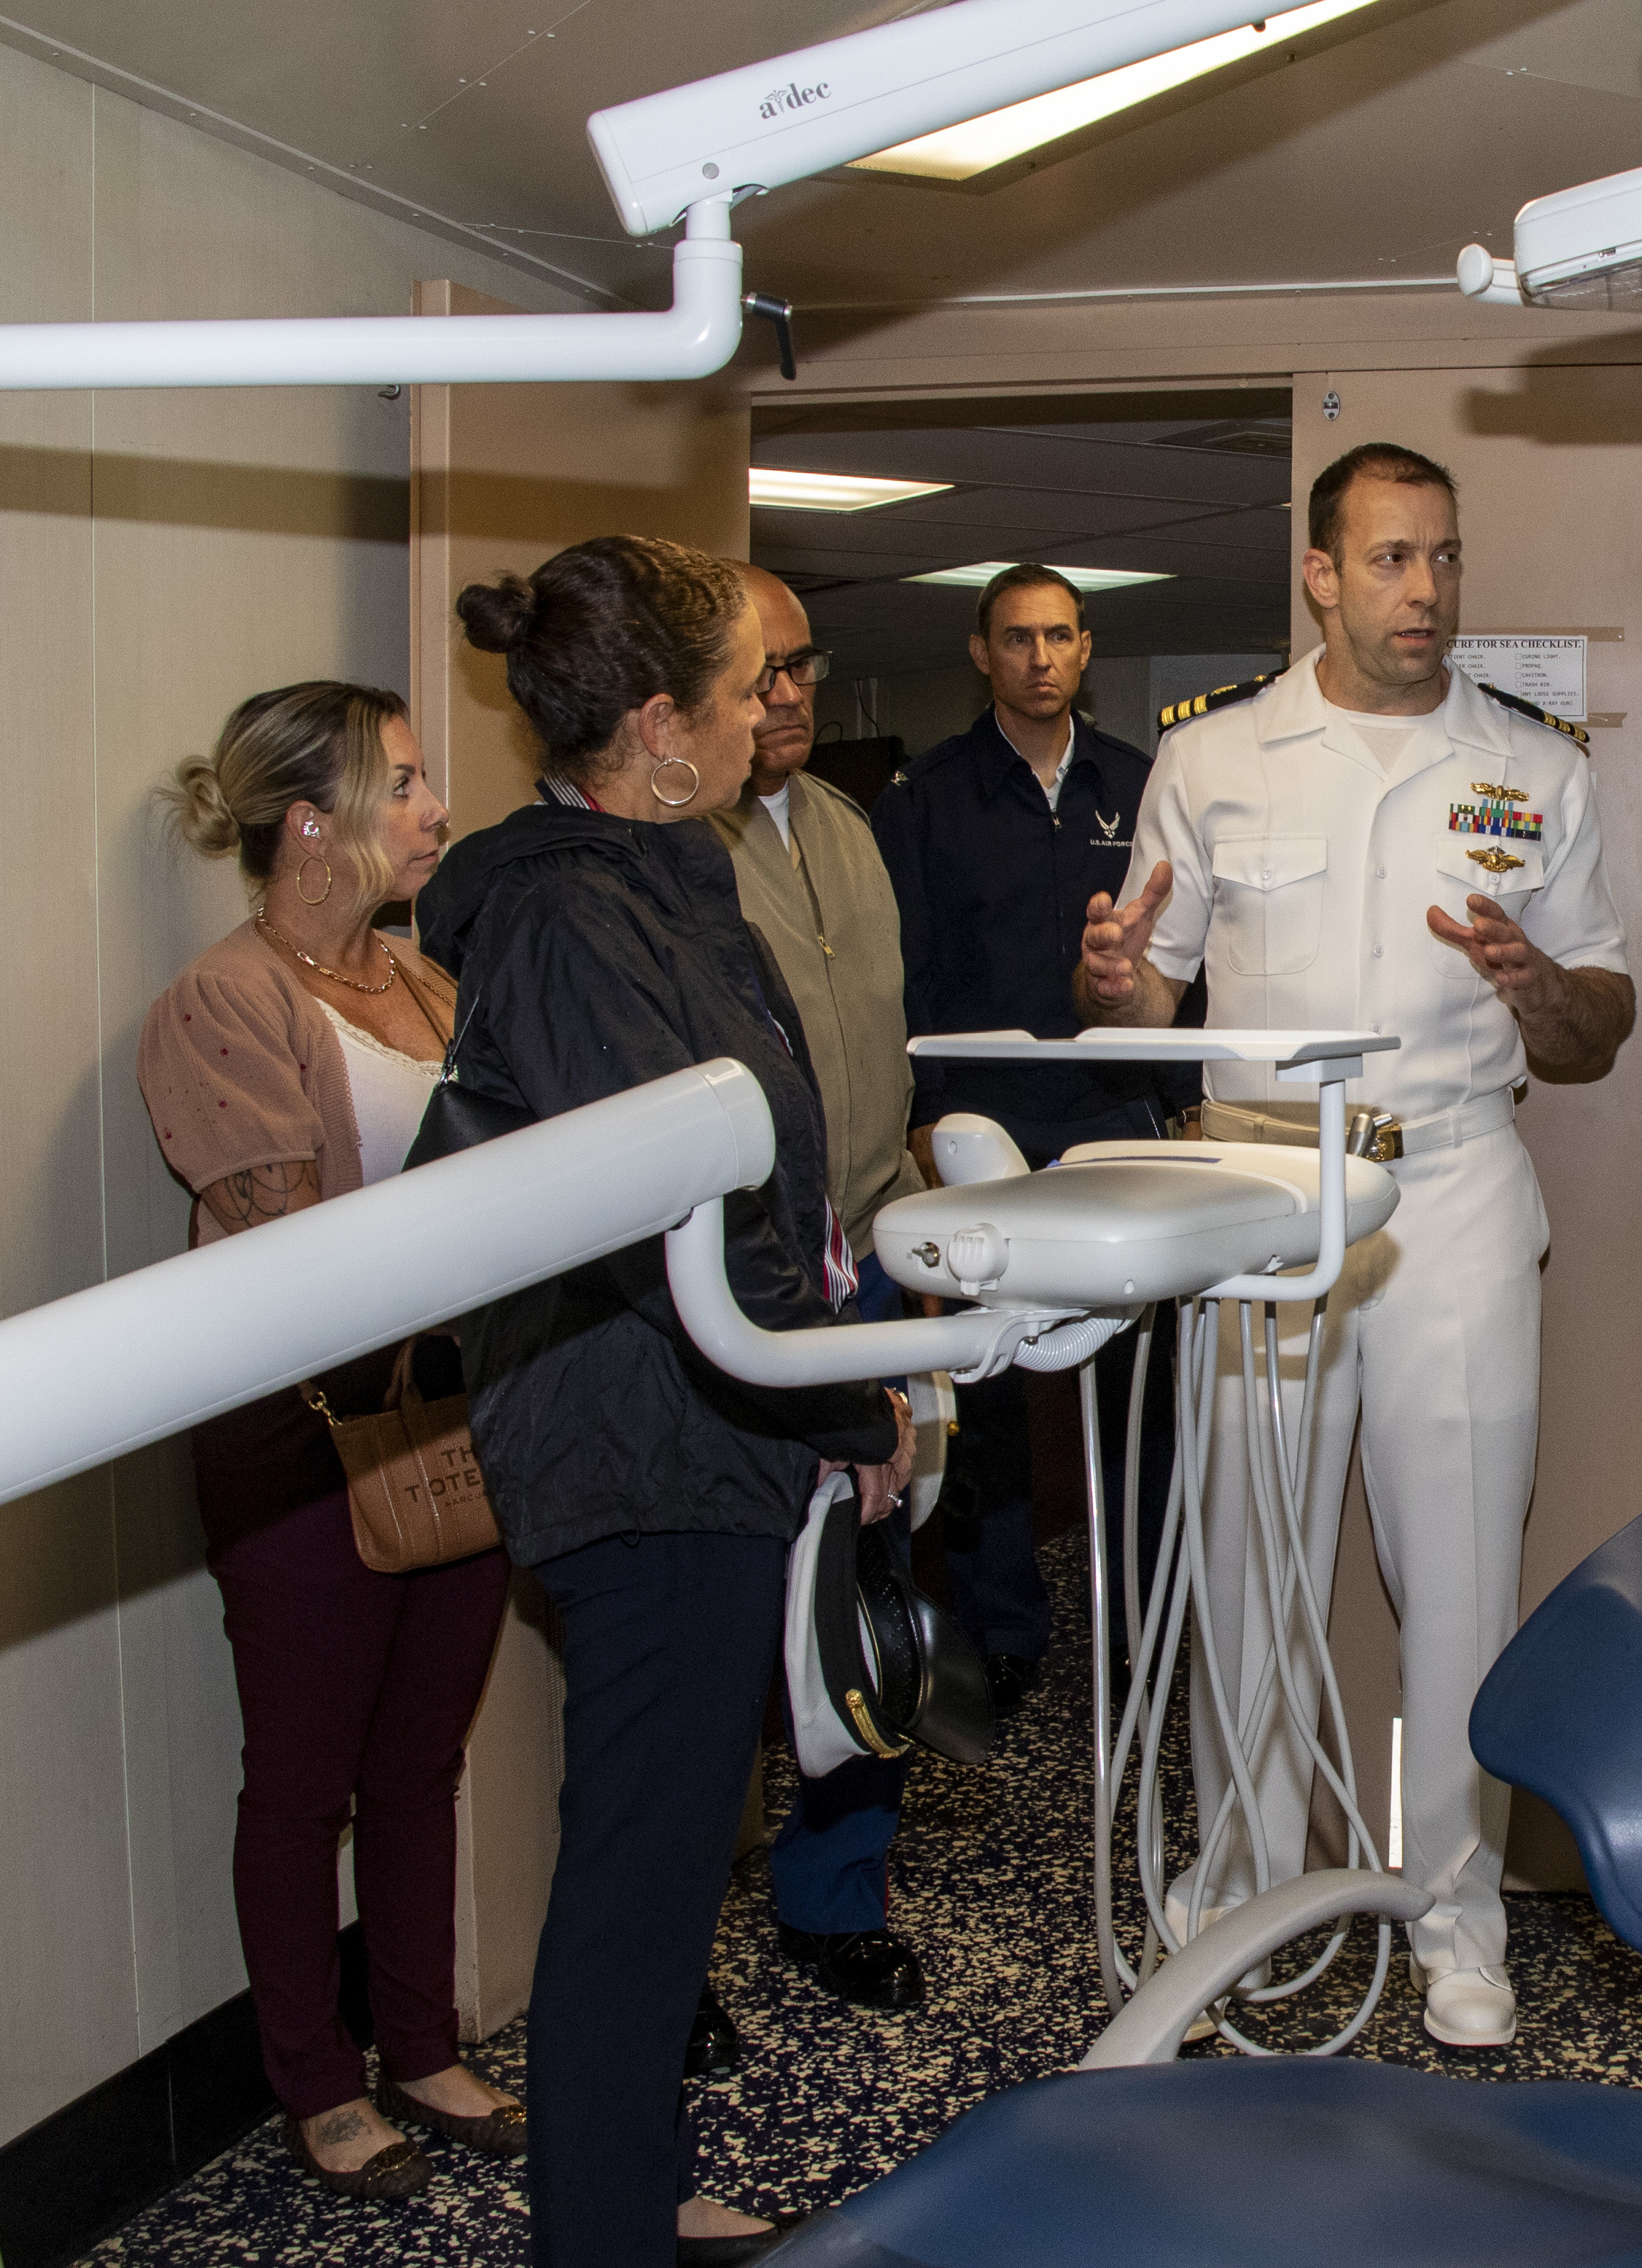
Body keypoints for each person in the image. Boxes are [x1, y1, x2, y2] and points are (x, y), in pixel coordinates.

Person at [1076, 443, 1635, 2050]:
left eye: (1446, 560)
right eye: (1391, 560)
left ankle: (1457, 1910)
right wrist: (1114, 975)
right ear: (1318, 572)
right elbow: (1148, 996)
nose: (1427, 593)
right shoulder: (1218, 759)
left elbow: (1601, 1014)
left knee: (1459, 1570)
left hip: (1452, 1190)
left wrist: (1541, 986)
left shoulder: (1533, 768)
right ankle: (1245, 1877)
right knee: (1247, 1557)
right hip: (1264, 1195)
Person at [419, 535, 913, 2268]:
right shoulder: (567, 912)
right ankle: (600, 2235)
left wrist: (841, 1371)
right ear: (656, 724)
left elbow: (767, 1176)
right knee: (640, 1854)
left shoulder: (660, 883)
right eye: (742, 686)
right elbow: (679, 1210)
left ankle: (627, 2184)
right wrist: (849, 1406)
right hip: (639, 1439)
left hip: (709, 1420)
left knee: (674, 1834)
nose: (772, 706)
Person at [137, 683, 524, 2199]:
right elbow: (288, 1249)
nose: (437, 813)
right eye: (408, 786)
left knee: (422, 1762)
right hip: (304, 1436)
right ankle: (315, 2079)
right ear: (313, 822)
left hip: (446, 1412)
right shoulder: (222, 1003)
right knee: (304, 1783)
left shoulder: (432, 984)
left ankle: (421, 2045)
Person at [870, 563, 1198, 1700]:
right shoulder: (927, 798)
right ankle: (1005, 1627)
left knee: (1138, 1395)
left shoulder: (1141, 784)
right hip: (982, 1131)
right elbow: (901, 974)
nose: (1041, 659)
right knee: (992, 1396)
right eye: (1018, 639)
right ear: (982, 655)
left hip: (1116, 1123)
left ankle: (1147, 1622)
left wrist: (1186, 1088)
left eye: (1060, 637)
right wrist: (918, 1116)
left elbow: (1183, 962)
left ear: (1088, 648)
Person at [702, 559, 933, 2018]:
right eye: (760, 673)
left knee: (868, 1611)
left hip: (869, 1266)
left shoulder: (849, 830)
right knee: (724, 1628)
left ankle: (836, 1894)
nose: (788, 695)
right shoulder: (673, 855)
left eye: (801, 667)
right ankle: (672, 1961)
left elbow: (884, 1066)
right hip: (738, 1291)